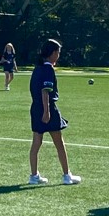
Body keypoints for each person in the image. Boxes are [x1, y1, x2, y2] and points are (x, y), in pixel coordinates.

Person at [28, 38, 81, 186]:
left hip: (35, 108)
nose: (58, 56)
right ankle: (67, 175)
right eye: (58, 52)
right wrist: (47, 112)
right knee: (59, 143)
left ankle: (34, 176)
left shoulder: (37, 68)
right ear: (52, 53)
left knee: (36, 143)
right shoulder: (47, 69)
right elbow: (45, 91)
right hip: (48, 108)